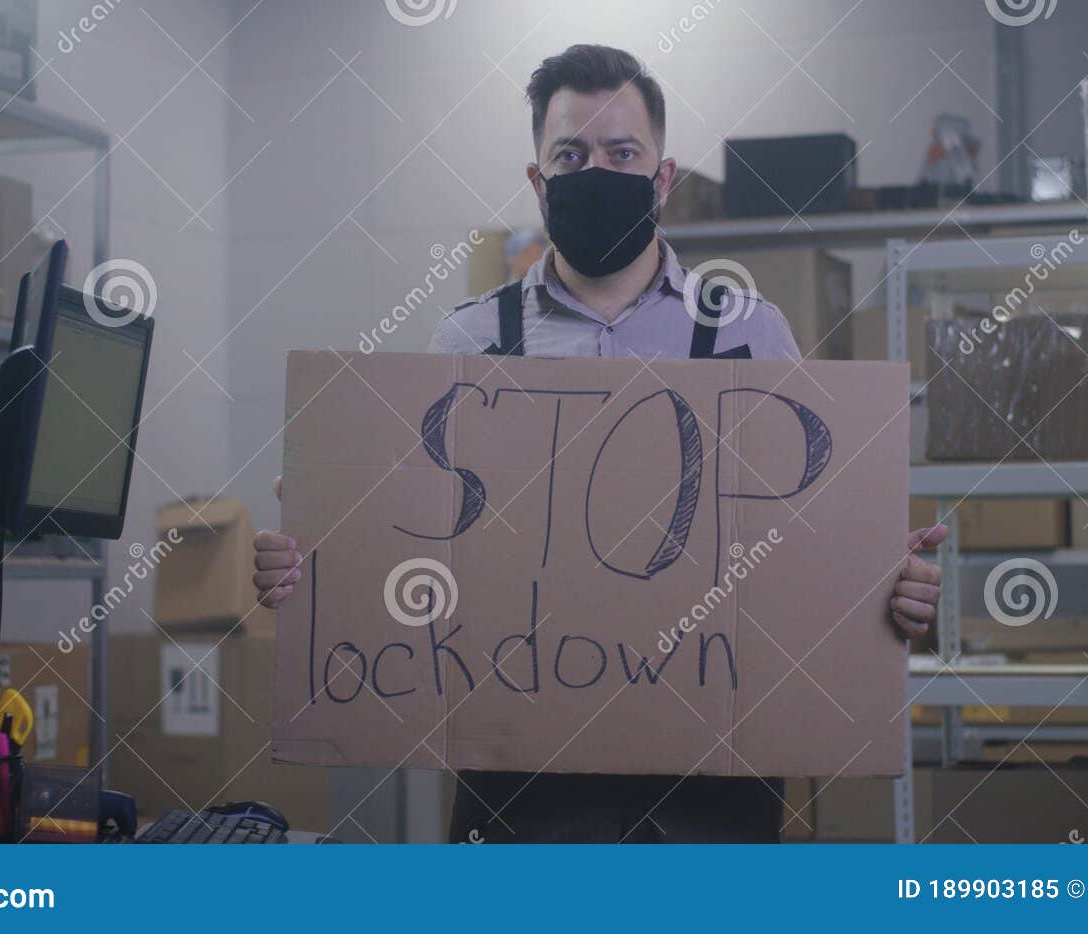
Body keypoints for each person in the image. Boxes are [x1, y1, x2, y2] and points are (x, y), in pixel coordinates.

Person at [252, 43, 945, 843]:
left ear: (663, 176)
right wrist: (313, 566)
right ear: (538, 183)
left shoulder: (750, 332)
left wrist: (887, 590)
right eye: (571, 155)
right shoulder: (469, 340)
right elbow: (410, 543)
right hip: (519, 786)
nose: (597, 171)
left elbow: (804, 541)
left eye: (622, 154)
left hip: (714, 789)